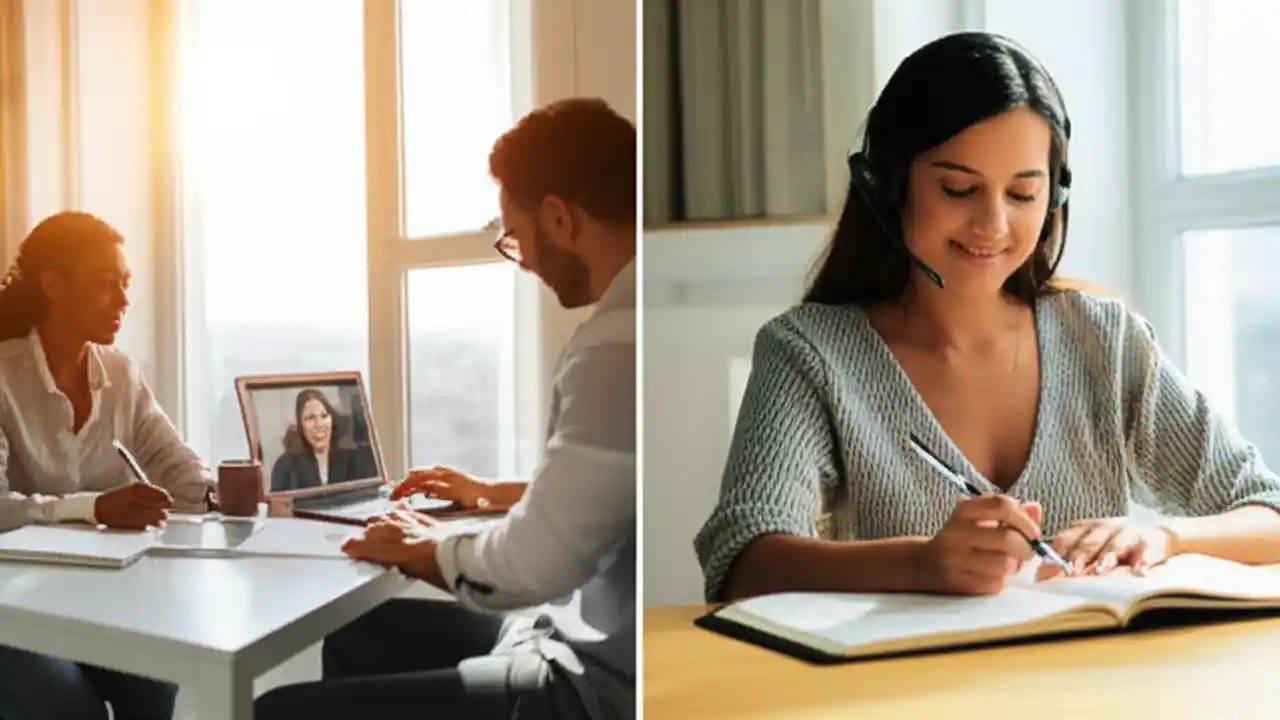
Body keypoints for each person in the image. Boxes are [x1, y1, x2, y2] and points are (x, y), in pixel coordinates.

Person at [694, 31, 1280, 603]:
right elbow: (742, 559)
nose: (993, 225)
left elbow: (1268, 511)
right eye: (958, 188)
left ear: (1054, 197)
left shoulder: (1106, 340)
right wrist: (919, 562)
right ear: (885, 185)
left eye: (1022, 194)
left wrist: (1164, 537)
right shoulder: (810, 352)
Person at [255, 97, 636, 719]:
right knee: (359, 636)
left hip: (589, 686)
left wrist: (426, 549)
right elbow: (615, 488)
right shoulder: (637, 322)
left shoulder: (614, 346)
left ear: (560, 219)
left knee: (279, 712)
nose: (527, 261)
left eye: (516, 239)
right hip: (576, 638)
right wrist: (493, 494)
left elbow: (532, 567)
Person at [0, 211, 211, 719]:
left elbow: (175, 466)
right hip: (9, 607)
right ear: (53, 285)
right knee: (72, 710)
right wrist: (93, 507)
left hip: (95, 595)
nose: (123, 300)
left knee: (155, 686)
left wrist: (230, 493)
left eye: (125, 283)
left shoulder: (120, 373)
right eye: (104, 284)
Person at [269, 388, 377, 491]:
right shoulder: (284, 466)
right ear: (300, 426)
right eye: (310, 418)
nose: (319, 424)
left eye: (324, 416)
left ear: (332, 420)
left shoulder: (355, 456)